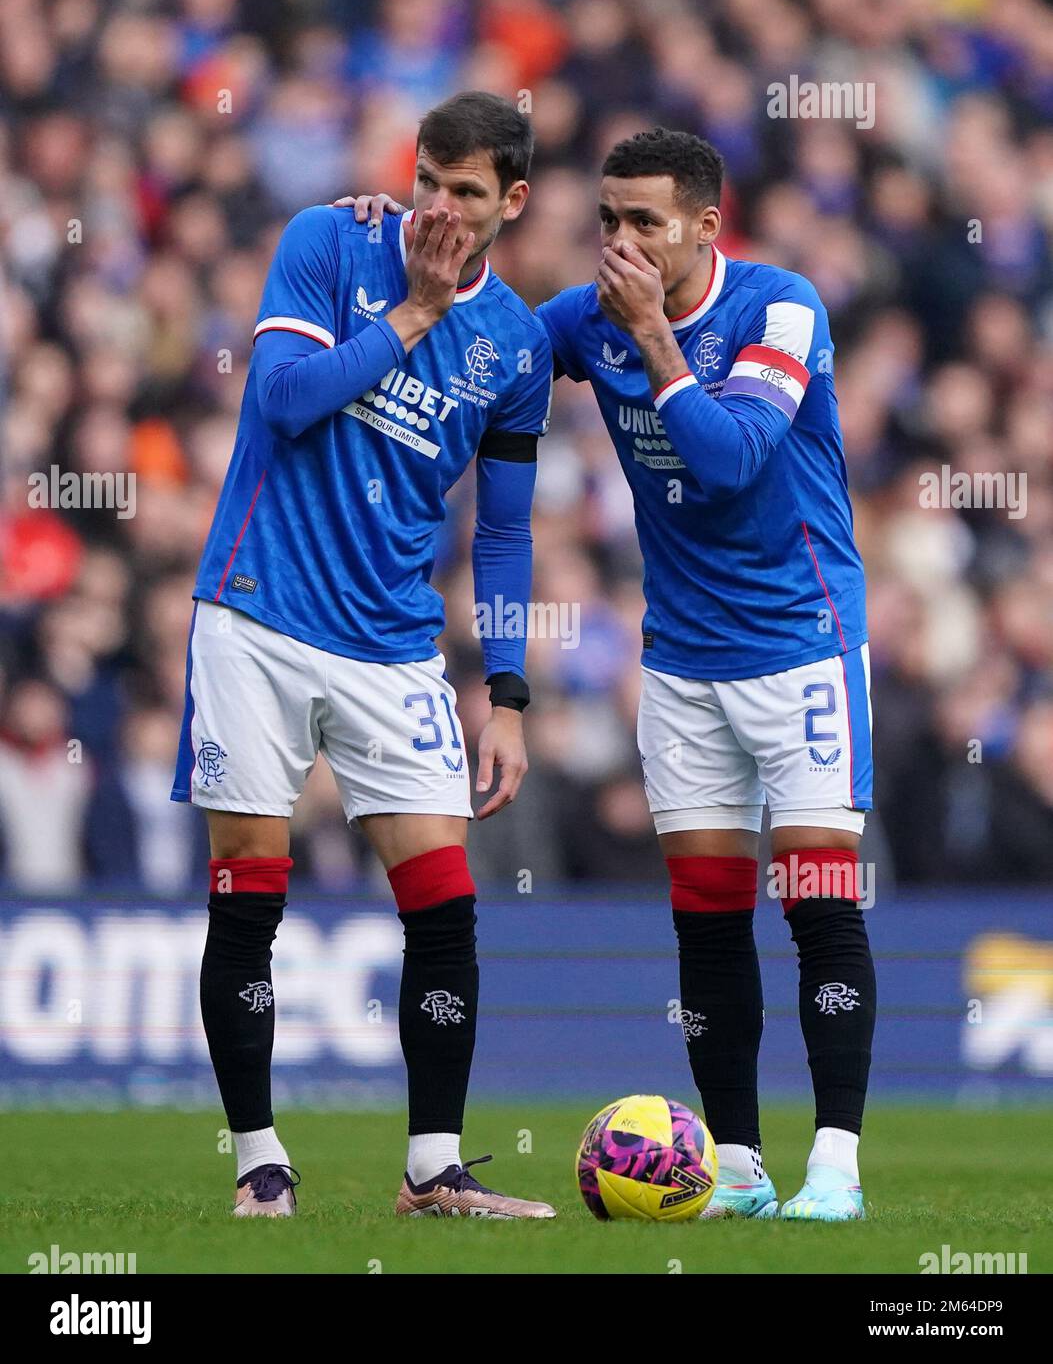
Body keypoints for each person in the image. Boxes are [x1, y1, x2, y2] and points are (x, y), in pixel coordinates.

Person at [343, 126, 876, 1223]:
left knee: (818, 907)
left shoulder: (781, 310)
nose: (623, 241)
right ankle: (737, 1164)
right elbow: (488, 348)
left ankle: (837, 1168)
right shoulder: (584, 319)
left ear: (704, 226)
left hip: (803, 645)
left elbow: (728, 464)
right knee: (709, 922)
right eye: (610, 220)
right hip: (680, 663)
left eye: (647, 221)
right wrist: (398, 251)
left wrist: (653, 341)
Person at [172, 91, 555, 1220]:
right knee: (249, 896)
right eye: (429, 179)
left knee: (442, 908)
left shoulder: (520, 345)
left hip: (392, 644)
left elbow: (502, 528)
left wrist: (511, 692)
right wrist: (412, 315)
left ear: (512, 203)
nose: (439, 205)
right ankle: (258, 1162)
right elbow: (283, 403)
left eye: (467, 192)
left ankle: (433, 1165)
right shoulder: (326, 241)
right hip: (258, 612)